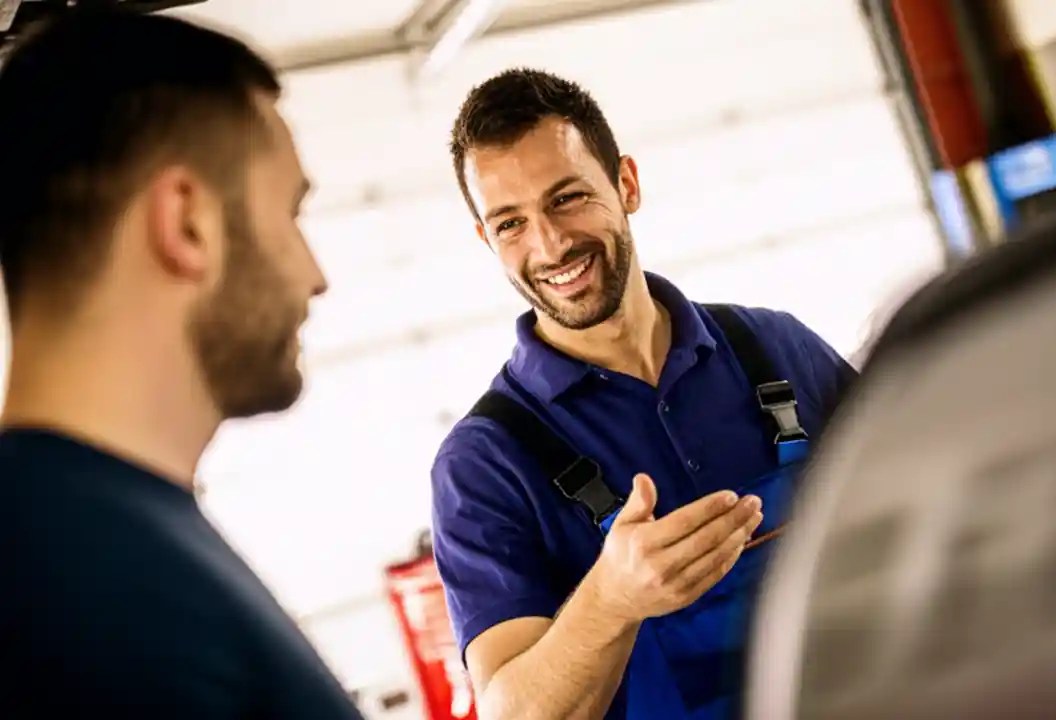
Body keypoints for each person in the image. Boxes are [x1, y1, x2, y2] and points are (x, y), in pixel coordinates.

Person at [431, 68, 857, 720]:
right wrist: (612, 599)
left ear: (626, 184)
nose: (549, 245)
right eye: (511, 223)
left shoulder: (777, 348)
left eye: (568, 198)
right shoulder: (483, 467)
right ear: (487, 239)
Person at [0, 11, 362, 719]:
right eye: (290, 215)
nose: (314, 275)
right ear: (187, 222)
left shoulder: (90, 540)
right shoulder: (82, 586)